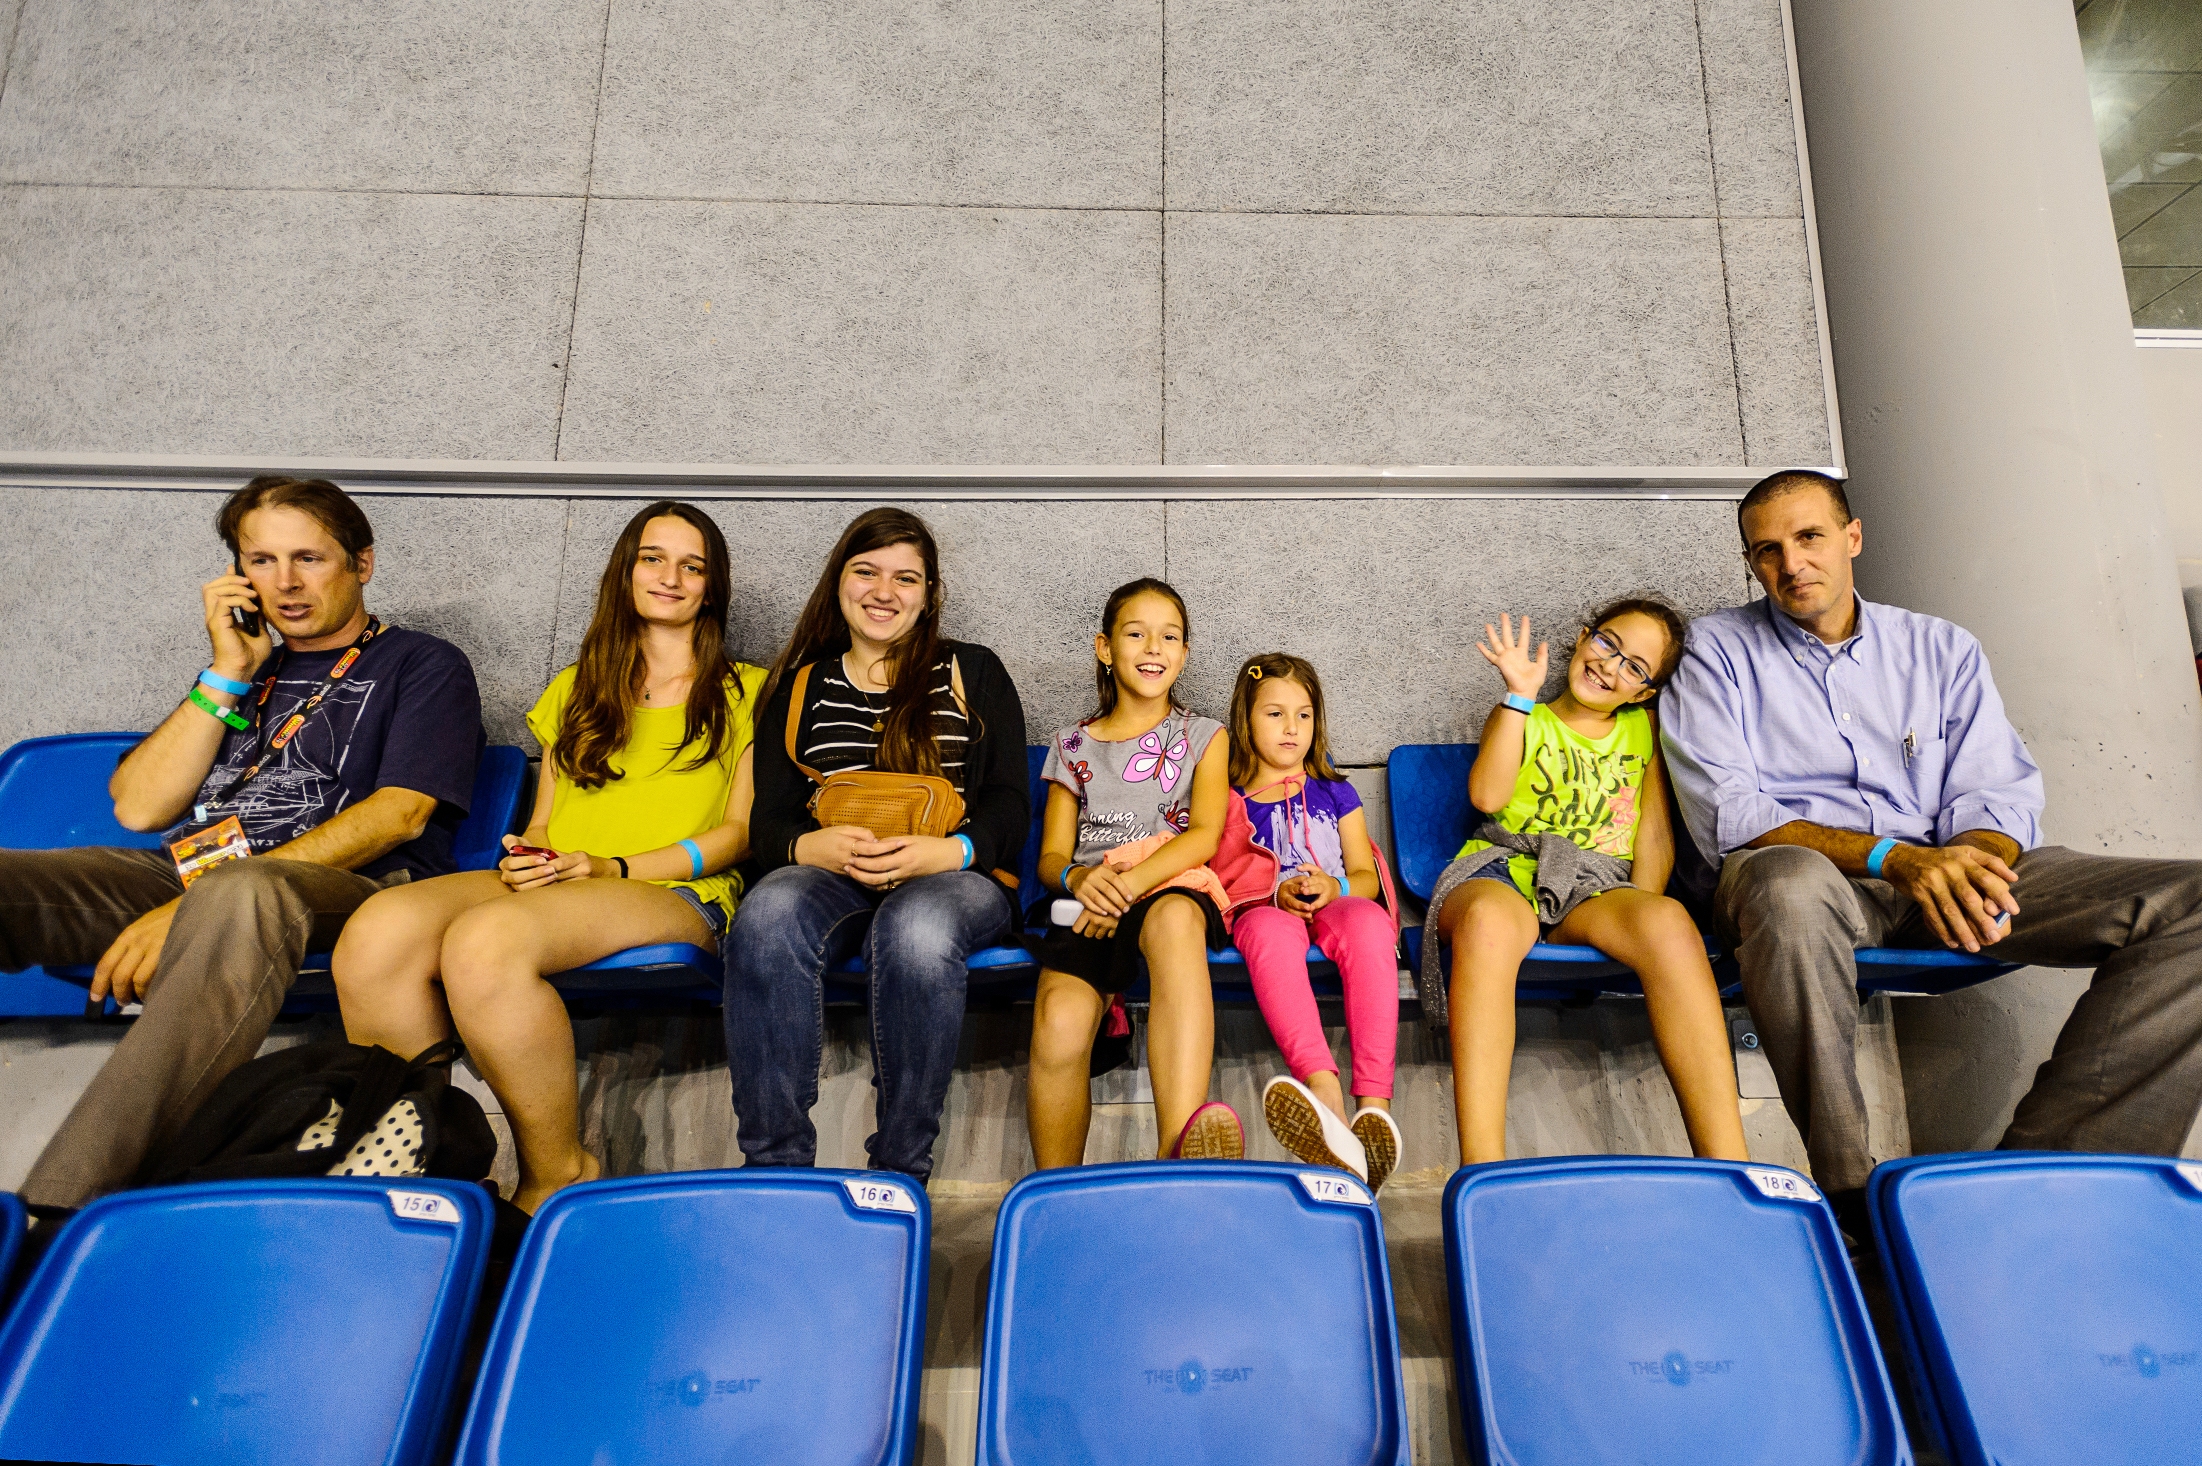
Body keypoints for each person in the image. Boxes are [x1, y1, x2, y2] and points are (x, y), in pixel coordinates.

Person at [1663, 468, 2202, 1228]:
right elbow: (1732, 811)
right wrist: (1896, 859)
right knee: (1787, 885)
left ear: (1853, 537)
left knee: (2193, 904)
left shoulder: (1940, 647)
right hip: (1817, 884)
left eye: (1810, 537)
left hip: (1942, 873)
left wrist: (1965, 863)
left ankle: (2058, 1177)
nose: (1792, 564)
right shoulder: (1714, 650)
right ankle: (1849, 1197)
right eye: (1767, 551)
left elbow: (1996, 791)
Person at [0, 476, 482, 1208]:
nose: (284, 583)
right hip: (189, 874)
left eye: (308, 558)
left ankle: (57, 1210)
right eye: (261, 561)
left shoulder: (421, 663)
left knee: (240, 892)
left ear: (362, 563)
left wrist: (187, 909)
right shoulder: (248, 670)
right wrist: (227, 670)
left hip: (348, 890)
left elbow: (399, 816)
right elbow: (139, 806)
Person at [332, 502, 759, 1212]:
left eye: (693, 566)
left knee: (484, 941)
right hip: (565, 881)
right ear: (625, 572)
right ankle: (419, 1173)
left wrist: (613, 867)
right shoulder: (575, 688)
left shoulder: (750, 689)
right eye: (653, 558)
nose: (671, 577)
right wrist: (527, 857)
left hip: (679, 892)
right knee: (378, 931)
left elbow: (742, 833)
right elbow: (545, 821)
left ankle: (556, 1173)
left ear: (712, 588)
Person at [723, 508, 1028, 1183]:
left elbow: (1011, 804)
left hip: (952, 876)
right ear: (839, 580)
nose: (884, 592)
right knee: (767, 915)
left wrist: (951, 853)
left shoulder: (973, 670)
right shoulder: (799, 684)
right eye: (867, 572)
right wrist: (810, 848)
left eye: (905, 578)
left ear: (929, 593)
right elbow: (767, 823)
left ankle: (898, 1171)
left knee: (916, 929)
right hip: (833, 876)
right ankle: (773, 1170)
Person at [1423, 601, 1749, 1168]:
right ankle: (1482, 1171)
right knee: (1488, 923)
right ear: (1582, 638)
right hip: (1503, 868)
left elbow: (1653, 836)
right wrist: (1518, 695)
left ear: (1646, 692)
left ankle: (1732, 1168)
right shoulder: (1523, 715)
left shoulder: (1643, 731)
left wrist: (1639, 923)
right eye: (1607, 643)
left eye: (1634, 667)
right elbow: (1487, 797)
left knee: (1668, 923)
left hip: (1591, 884)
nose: (1610, 666)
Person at [1028, 578, 1240, 1167]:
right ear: (1105, 648)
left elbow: (1203, 835)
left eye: (1169, 637)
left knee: (1175, 922)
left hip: (1164, 886)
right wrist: (1079, 881)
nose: (1154, 648)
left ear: (1185, 654)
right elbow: (1051, 858)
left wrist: (1126, 887)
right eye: (1136, 634)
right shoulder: (1072, 746)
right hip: (1091, 902)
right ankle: (1056, 1190)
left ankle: (1179, 1153)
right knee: (1059, 1019)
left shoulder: (1203, 737)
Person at [1227, 653, 1403, 1189]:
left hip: (1336, 902)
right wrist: (1274, 893)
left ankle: (1372, 1110)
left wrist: (1337, 886)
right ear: (1245, 720)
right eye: (1275, 714)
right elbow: (1225, 876)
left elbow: (1364, 876)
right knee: (1267, 932)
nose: (1292, 728)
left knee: (1368, 923)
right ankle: (1323, 1091)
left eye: (1304, 715)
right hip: (1266, 908)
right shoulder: (1230, 798)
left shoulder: (1335, 791)